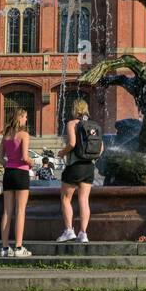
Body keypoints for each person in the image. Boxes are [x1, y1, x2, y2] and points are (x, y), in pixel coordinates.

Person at [57, 99, 103, 244]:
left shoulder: (73, 123)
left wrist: (62, 153)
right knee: (84, 200)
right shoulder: (94, 125)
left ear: (74, 109)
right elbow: (101, 149)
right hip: (89, 166)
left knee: (66, 198)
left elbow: (72, 143)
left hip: (75, 166)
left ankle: (69, 230)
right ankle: (83, 233)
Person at [0, 108, 34, 258]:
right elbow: (25, 157)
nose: (26, 120)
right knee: (20, 211)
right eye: (25, 117)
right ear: (20, 118)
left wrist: (9, 165)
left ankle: (4, 248)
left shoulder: (6, 135)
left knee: (6, 211)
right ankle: (18, 247)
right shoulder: (24, 135)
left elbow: (0, 158)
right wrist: (31, 163)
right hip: (21, 173)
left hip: (9, 174)